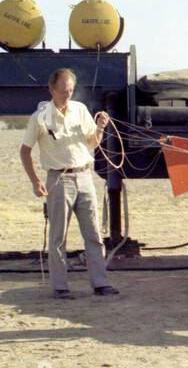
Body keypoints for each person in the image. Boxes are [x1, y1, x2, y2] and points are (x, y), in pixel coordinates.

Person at [19, 68, 120, 299]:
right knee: (57, 237)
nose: (67, 95)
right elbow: (25, 151)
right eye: (63, 91)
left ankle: (100, 283)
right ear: (51, 89)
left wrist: (102, 127)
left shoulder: (80, 110)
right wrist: (35, 181)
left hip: (84, 176)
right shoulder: (40, 117)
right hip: (58, 179)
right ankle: (60, 287)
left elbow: (93, 143)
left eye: (71, 90)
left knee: (93, 233)